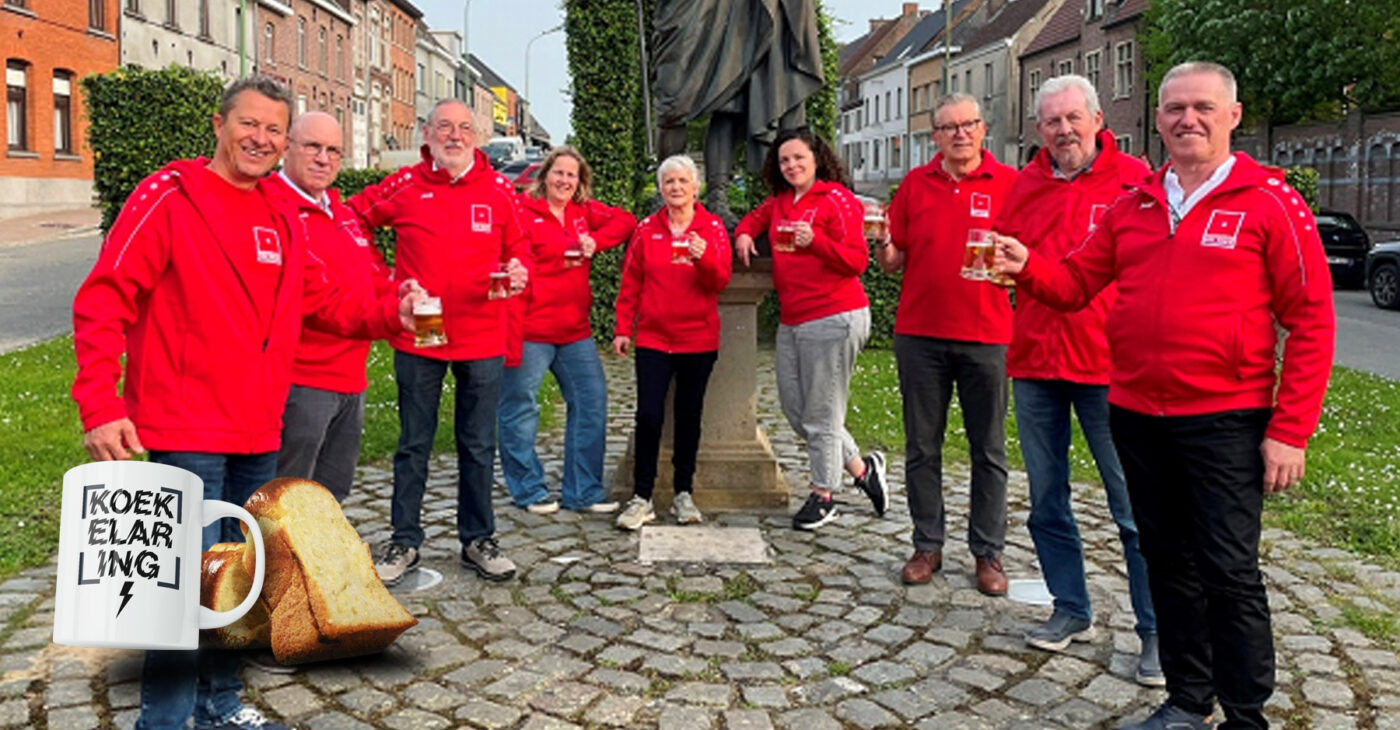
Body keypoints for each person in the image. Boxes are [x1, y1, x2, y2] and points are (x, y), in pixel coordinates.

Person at [995, 62, 1335, 730]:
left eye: (1203, 107)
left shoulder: (1269, 200)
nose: (1189, 120)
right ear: (1157, 118)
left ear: (1232, 115)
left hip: (1225, 418)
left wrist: (1291, 429)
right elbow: (1072, 288)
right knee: (1167, 560)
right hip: (1137, 413)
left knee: (1229, 572)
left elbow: (1313, 319)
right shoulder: (1136, 204)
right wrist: (1025, 265)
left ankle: (1244, 714)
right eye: (1176, 108)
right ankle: (1186, 698)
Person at [71, 76, 414, 730]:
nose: (261, 138)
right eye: (249, 124)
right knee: (182, 593)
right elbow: (103, 299)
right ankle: (165, 722)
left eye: (273, 129)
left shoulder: (283, 214)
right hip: (186, 428)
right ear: (219, 124)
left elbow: (322, 303)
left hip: (260, 429)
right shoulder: (168, 195)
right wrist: (99, 402)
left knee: (241, 583)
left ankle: (221, 707)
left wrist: (388, 313)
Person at [994, 75, 1161, 685]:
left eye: (1072, 119)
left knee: (1135, 509)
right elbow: (1006, 257)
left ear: (1096, 119)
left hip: (1107, 365)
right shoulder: (1026, 185)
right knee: (1046, 501)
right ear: (1038, 128)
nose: (1062, 131)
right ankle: (1071, 609)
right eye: (1051, 121)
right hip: (1036, 360)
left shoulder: (1135, 182)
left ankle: (1155, 632)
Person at [349, 99, 531, 586]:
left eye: (464, 128)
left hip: (482, 331)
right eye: (444, 127)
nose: (455, 136)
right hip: (424, 332)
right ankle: (404, 539)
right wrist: (383, 280)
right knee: (413, 442)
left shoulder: (498, 190)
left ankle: (478, 539)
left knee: (477, 442)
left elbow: (520, 249)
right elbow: (353, 218)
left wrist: (518, 271)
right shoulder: (406, 185)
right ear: (425, 135)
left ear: (478, 136)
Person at [877, 93, 1017, 595]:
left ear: (984, 129)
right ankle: (927, 544)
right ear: (933, 136)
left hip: (987, 334)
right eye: (948, 127)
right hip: (920, 333)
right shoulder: (914, 185)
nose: (960, 134)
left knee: (990, 450)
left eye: (968, 124)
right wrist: (883, 245)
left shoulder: (1010, 184)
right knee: (921, 447)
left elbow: (1030, 255)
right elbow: (894, 261)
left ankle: (988, 552)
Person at [734, 127, 886, 532]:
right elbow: (755, 217)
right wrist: (746, 232)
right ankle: (862, 468)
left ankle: (823, 494)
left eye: (798, 158)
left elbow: (856, 261)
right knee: (797, 409)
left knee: (821, 413)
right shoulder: (783, 201)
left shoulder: (838, 200)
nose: (791, 166)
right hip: (794, 317)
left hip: (834, 315)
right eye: (784, 160)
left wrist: (815, 240)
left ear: (816, 158)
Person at [498, 146, 636, 514]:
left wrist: (597, 241)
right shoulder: (523, 212)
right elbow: (515, 254)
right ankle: (528, 489)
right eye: (558, 173)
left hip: (575, 330)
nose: (564, 180)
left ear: (580, 183)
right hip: (530, 329)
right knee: (520, 409)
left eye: (572, 175)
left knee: (591, 403)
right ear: (545, 176)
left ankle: (583, 491)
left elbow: (625, 221)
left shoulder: (582, 213)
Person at [268, 111, 396, 502]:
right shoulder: (274, 209)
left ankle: (307, 564)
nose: (324, 159)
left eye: (334, 151)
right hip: (303, 380)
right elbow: (316, 300)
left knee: (328, 496)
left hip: (350, 378)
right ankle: (267, 565)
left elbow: (373, 278)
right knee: (285, 498)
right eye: (313, 147)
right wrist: (390, 318)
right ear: (287, 147)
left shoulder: (342, 215)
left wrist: (400, 295)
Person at [613, 154, 733, 530]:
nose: (676, 188)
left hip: (697, 339)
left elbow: (720, 281)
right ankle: (642, 497)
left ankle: (684, 493)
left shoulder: (712, 228)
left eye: (682, 182)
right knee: (648, 415)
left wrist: (704, 258)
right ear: (661, 189)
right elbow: (631, 281)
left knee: (688, 416)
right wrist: (621, 327)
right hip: (653, 338)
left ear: (695, 188)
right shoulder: (647, 230)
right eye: (669, 182)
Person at [652, 0, 824, 223]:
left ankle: (719, 199)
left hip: (746, 11)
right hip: (700, 8)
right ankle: (663, 193)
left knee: (730, 103)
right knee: (673, 103)